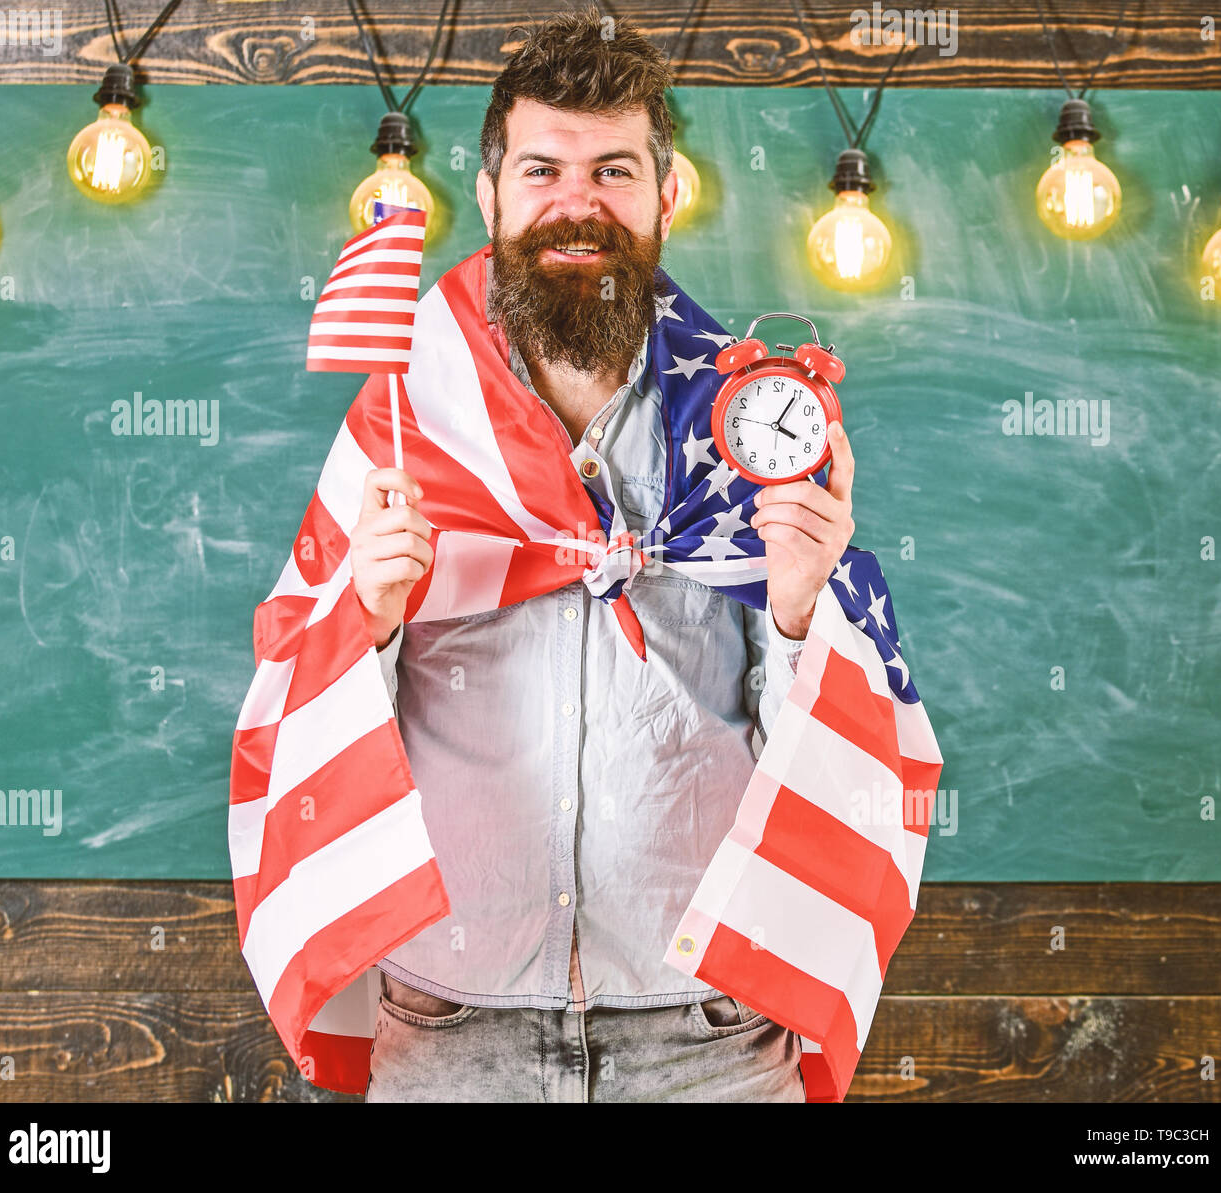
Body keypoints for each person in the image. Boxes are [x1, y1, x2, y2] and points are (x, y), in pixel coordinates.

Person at [349, 7, 856, 1103]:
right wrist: (369, 620)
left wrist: (805, 610)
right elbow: (314, 703)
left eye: (613, 170)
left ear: (666, 196)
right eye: (542, 169)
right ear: (489, 198)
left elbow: (833, 738)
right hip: (452, 1018)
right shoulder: (406, 417)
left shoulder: (752, 419)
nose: (576, 204)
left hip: (707, 1028)